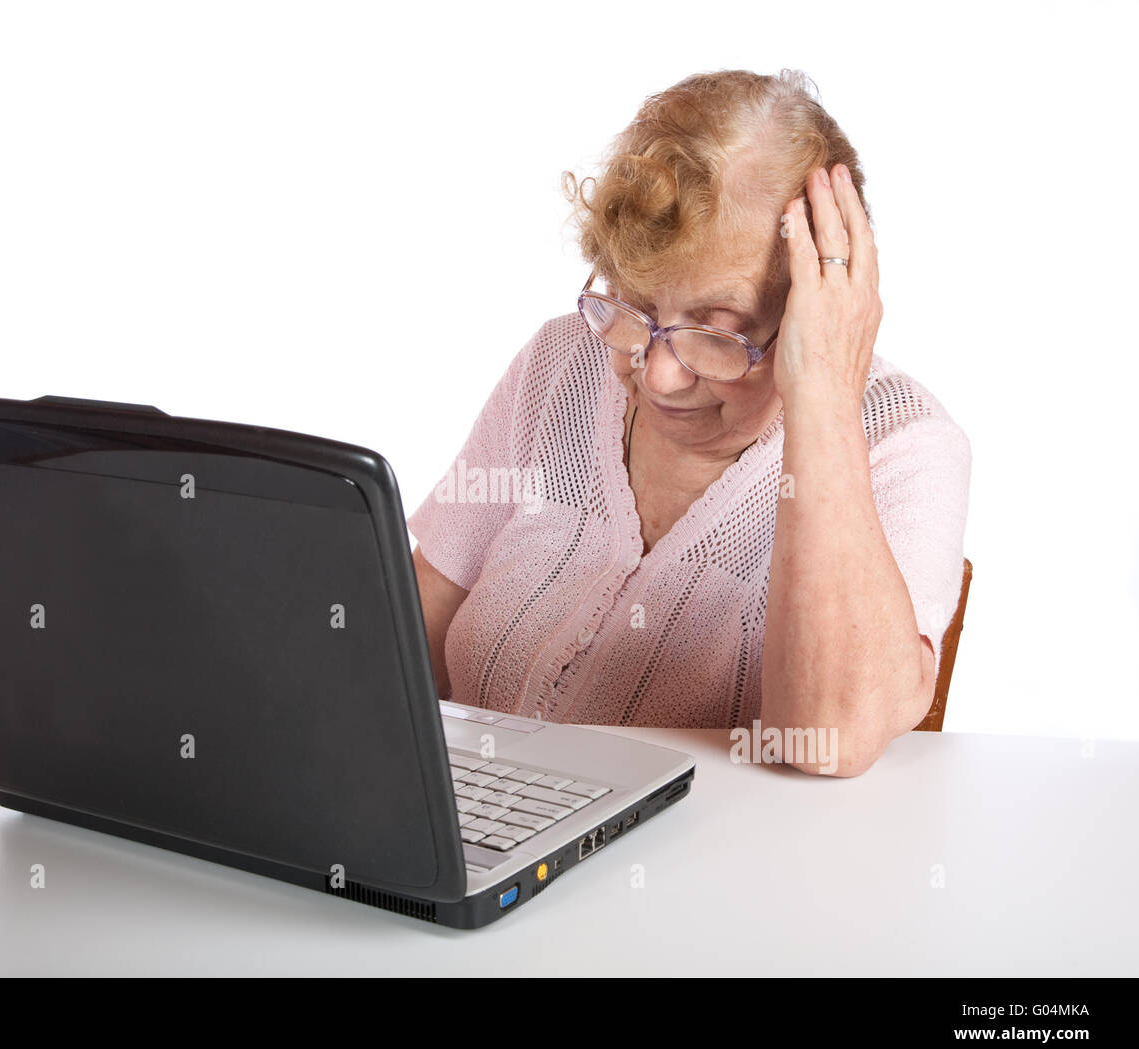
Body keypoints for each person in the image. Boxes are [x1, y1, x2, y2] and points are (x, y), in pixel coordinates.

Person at [407, 69, 971, 777]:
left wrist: (823, 396)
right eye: (634, 303)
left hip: (719, 883)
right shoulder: (563, 361)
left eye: (719, 331)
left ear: (817, 310)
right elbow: (407, 642)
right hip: (494, 852)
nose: (659, 374)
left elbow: (830, 738)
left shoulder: (907, 443)